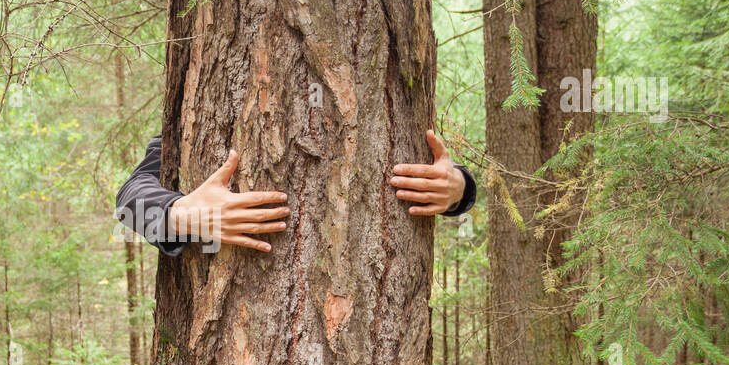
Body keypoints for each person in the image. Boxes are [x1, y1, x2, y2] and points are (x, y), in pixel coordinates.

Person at [116, 129, 476, 255]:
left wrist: (459, 187)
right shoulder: (188, 114)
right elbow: (130, 198)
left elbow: (434, 168)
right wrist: (180, 214)